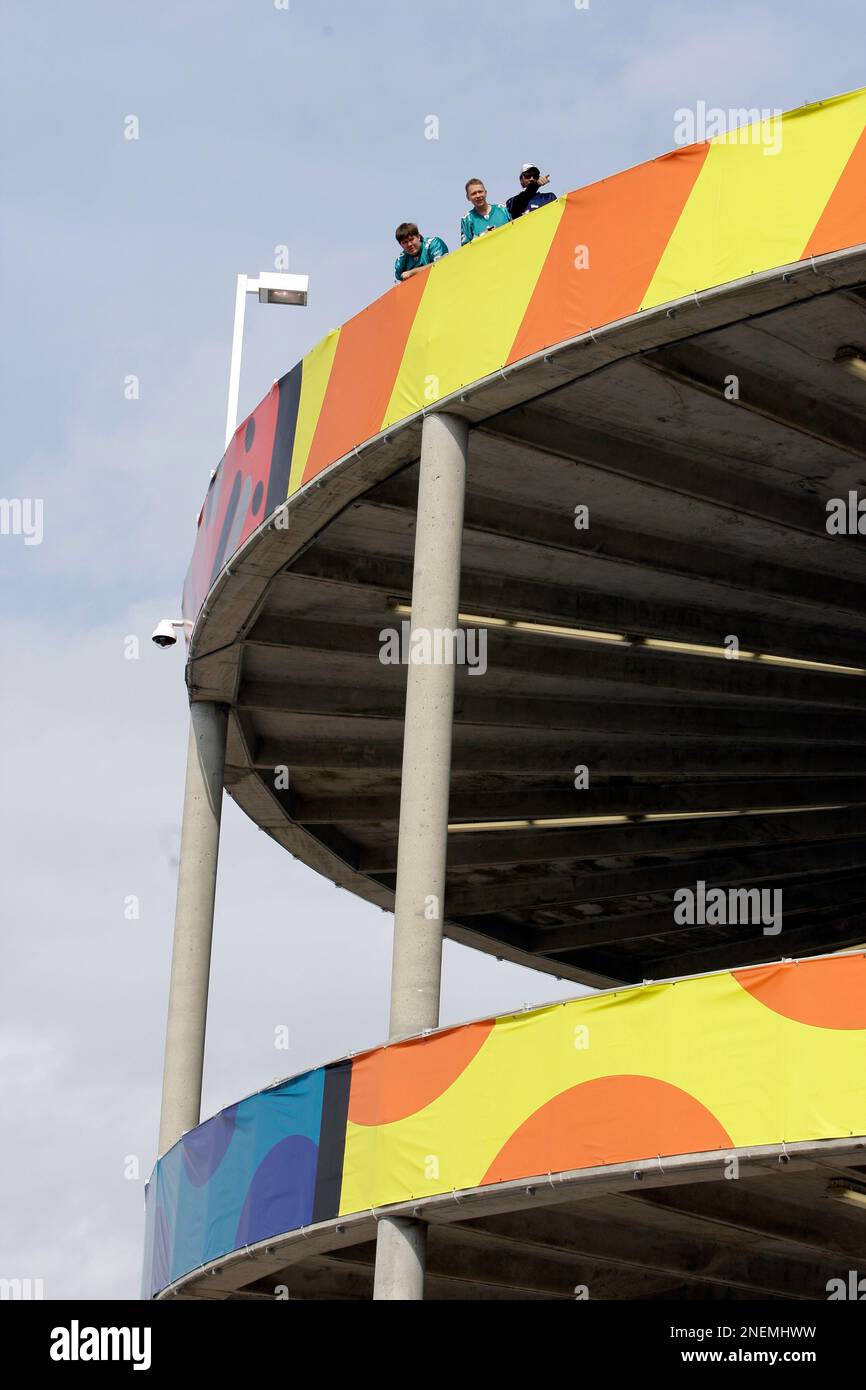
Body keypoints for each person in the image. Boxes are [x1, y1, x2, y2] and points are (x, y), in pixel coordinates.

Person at [460, 179, 511, 245]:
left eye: (480, 192)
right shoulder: (467, 219)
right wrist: (483, 236)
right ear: (468, 197)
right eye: (473, 193)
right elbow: (465, 248)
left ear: (485, 192)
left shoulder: (503, 209)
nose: (478, 196)